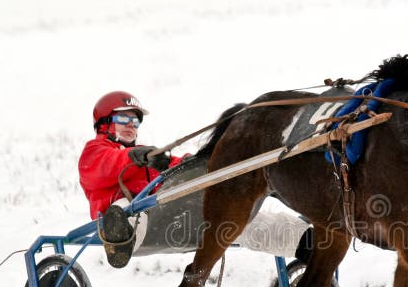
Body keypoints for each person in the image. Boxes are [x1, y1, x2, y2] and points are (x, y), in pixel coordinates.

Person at [78, 90, 312, 269]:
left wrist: (203, 162)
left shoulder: (148, 156)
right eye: (123, 120)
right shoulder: (96, 151)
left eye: (135, 121)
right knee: (125, 210)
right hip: (135, 220)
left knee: (238, 217)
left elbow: (181, 167)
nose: (131, 125)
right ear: (104, 124)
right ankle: (120, 236)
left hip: (171, 219)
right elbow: (104, 166)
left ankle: (303, 241)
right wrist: (133, 157)